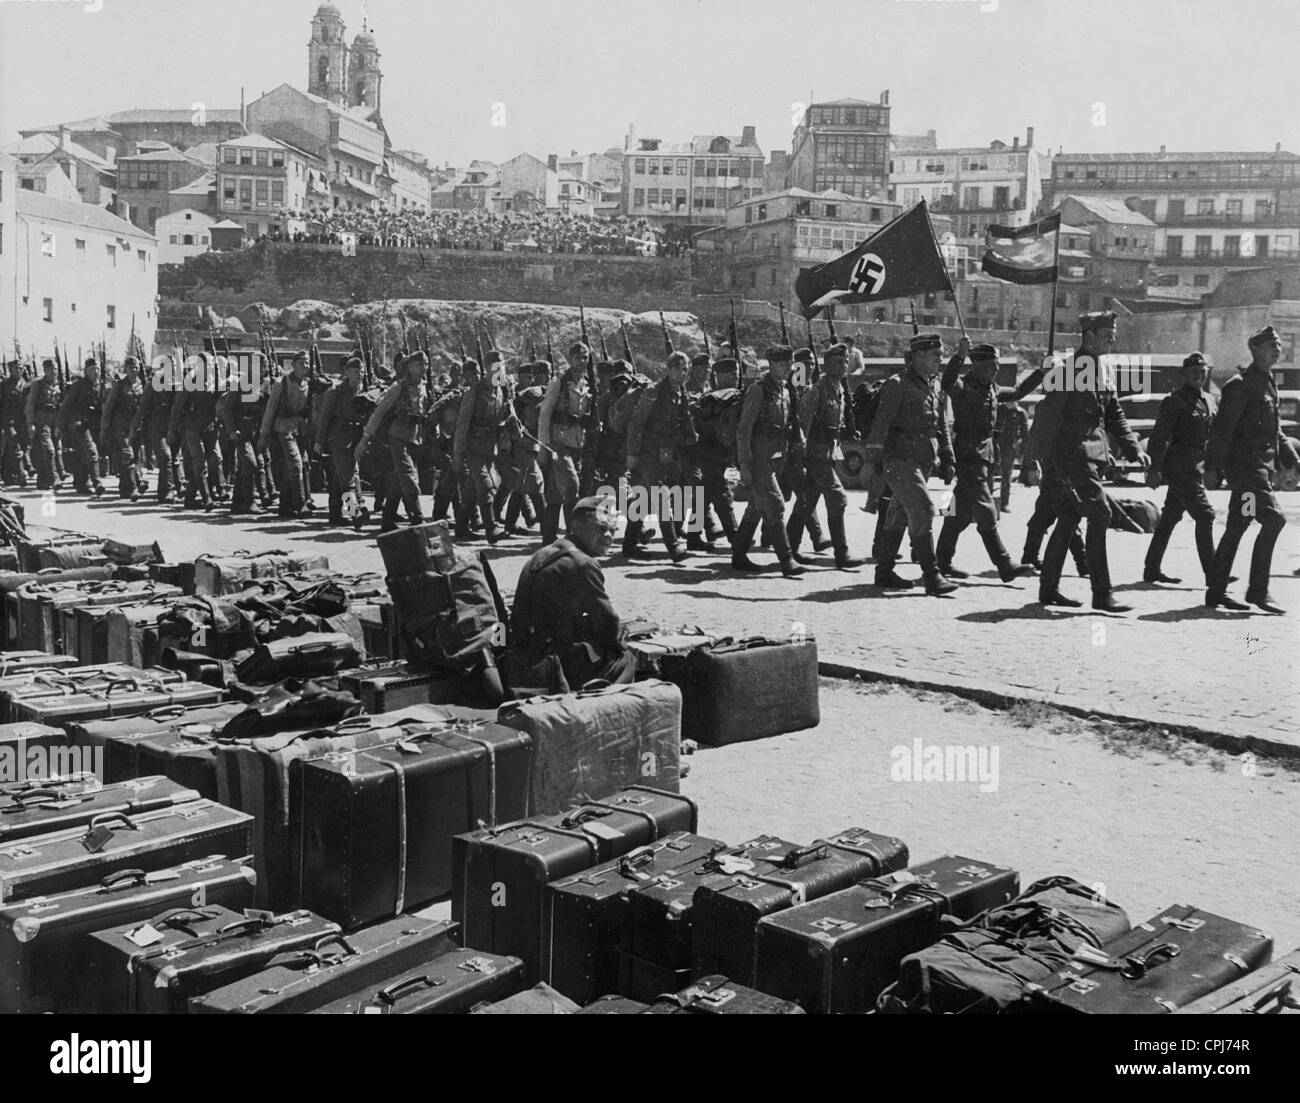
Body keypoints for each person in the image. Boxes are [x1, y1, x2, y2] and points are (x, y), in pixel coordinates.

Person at [1025, 312, 1148, 612]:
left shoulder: (1101, 371)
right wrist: (1033, 462)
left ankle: (1049, 589)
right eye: (1107, 335)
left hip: (1091, 459)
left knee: (1068, 519)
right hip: (1071, 459)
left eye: (1112, 335)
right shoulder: (1066, 371)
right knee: (1101, 514)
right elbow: (1046, 419)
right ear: (1088, 336)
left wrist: (1134, 450)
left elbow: (1114, 414)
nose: (1112, 340)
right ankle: (1102, 594)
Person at [1204, 326, 1298, 613]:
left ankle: (1216, 592)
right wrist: (1212, 469)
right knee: (1274, 520)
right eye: (1271, 344)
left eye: (1279, 344)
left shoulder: (1267, 383)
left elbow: (1275, 430)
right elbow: (1222, 431)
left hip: (1259, 470)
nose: (1277, 349)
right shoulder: (1240, 384)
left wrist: (1292, 458)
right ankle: (1258, 591)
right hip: (1247, 471)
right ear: (1255, 350)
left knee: (1238, 524)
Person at [504, 494, 636, 694]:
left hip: (524, 653)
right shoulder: (583, 563)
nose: (608, 536)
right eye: (601, 529)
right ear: (577, 526)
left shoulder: (545, 552)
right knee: (626, 659)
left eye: (612, 530)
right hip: (550, 662)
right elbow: (608, 621)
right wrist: (619, 641)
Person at [863, 333, 957, 595]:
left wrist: (948, 456)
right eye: (935, 354)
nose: (940, 359)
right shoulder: (897, 384)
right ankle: (932, 575)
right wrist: (871, 461)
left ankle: (884, 572)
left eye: (940, 354)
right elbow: (880, 425)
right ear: (917, 356)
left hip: (923, 460)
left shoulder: (934, 385)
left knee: (900, 514)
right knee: (924, 509)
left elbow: (941, 427)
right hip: (899, 459)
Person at [936, 341, 1034, 582]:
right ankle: (1004, 564)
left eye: (998, 365)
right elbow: (947, 382)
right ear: (977, 365)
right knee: (987, 510)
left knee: (957, 514)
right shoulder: (963, 387)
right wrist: (958, 355)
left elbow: (1019, 392)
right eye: (992, 365)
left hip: (984, 455)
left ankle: (941, 562)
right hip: (969, 456)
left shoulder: (992, 389)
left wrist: (1042, 372)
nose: (996, 369)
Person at [1142, 352, 1217, 586]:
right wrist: (1154, 469)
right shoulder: (1174, 400)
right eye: (1194, 372)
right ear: (1184, 374)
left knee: (1170, 518)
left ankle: (1151, 569)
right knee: (1205, 515)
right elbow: (1159, 437)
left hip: (1197, 465)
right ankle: (1214, 574)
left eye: (1203, 372)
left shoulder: (1210, 399)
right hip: (1180, 467)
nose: (1199, 376)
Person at [730, 346, 805, 577]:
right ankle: (787, 560)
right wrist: (744, 464)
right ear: (771, 364)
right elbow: (743, 429)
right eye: (783, 364)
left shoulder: (785, 389)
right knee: (775, 506)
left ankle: (738, 557)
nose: (788, 369)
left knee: (755, 508)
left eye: (790, 364)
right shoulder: (758, 390)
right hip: (758, 459)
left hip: (776, 458)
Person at [789, 342, 864, 569]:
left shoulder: (839, 389)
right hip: (814, 455)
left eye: (845, 362)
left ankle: (788, 550)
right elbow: (802, 427)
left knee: (806, 502)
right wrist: (799, 459)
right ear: (826, 365)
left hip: (829, 453)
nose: (843, 367)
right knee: (837, 498)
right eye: (838, 362)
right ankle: (841, 554)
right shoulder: (816, 391)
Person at [625, 350, 696, 562]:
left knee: (644, 501)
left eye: (686, 370)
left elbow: (684, 421)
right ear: (671, 369)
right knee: (660, 498)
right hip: (649, 454)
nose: (685, 373)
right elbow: (636, 424)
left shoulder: (680, 391)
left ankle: (628, 545)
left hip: (668, 454)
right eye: (681, 369)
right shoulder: (654, 392)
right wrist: (632, 453)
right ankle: (673, 547)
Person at [357, 350, 428, 533]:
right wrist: (365, 439)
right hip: (395, 439)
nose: (423, 368)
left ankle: (384, 519)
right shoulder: (398, 388)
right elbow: (378, 413)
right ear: (410, 367)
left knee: (398, 480)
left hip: (415, 440)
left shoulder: (424, 387)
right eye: (420, 365)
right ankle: (418, 520)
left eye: (425, 365)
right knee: (409, 478)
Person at [453, 350, 515, 543]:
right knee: (486, 485)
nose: (499, 371)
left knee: (472, 490)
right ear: (487, 370)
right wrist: (457, 453)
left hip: (490, 447)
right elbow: (462, 424)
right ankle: (491, 528)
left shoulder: (502, 391)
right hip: (473, 447)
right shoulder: (475, 392)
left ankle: (462, 529)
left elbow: (507, 416)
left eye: (501, 367)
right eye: (494, 368)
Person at [537, 341, 593, 545]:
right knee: (571, 489)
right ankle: (573, 539)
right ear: (570, 359)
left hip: (576, 443)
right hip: (557, 444)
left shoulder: (586, 383)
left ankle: (548, 538)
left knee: (553, 494)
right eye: (578, 357)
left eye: (585, 357)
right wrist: (543, 447)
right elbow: (544, 415)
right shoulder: (558, 382)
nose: (582, 361)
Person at [313, 356, 369, 526]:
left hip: (357, 438)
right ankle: (354, 512)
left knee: (341, 476)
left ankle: (335, 513)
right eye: (356, 371)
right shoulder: (335, 392)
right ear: (347, 372)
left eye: (362, 371)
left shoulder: (365, 390)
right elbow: (324, 418)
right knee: (348, 480)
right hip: (339, 438)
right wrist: (319, 441)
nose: (360, 374)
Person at [260, 351, 311, 518]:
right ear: (293, 365)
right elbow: (270, 409)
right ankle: (301, 503)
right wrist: (264, 434)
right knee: (296, 465)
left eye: (307, 363)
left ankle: (349, 513)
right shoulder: (282, 384)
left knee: (299, 466)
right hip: (285, 428)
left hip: (302, 431)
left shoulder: (311, 384)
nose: (306, 366)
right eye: (302, 363)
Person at [100, 357, 146, 499]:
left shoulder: (143, 384)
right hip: (121, 425)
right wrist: (104, 428)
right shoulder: (119, 386)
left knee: (135, 456)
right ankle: (133, 488)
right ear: (125, 369)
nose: (133, 370)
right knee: (128, 454)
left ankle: (124, 487)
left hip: (136, 425)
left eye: (136, 367)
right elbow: (108, 407)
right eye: (130, 367)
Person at [58, 358, 105, 496]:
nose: (95, 372)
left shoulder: (100, 385)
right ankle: (97, 482)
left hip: (92, 423)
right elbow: (66, 406)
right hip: (79, 423)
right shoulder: (78, 385)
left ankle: (81, 483)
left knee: (83, 454)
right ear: (86, 371)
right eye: (92, 369)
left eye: (97, 369)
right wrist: (60, 426)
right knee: (91, 451)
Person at [24, 359, 63, 492]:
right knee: (49, 450)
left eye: (56, 369)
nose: (54, 372)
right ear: (45, 370)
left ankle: (42, 480)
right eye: (51, 369)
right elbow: (30, 404)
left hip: (55, 421)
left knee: (49, 452)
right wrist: (30, 424)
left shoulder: (60, 384)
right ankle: (54, 478)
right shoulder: (38, 384)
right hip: (41, 421)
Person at [992, 392, 1028, 510]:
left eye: (1013, 400)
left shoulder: (1020, 413)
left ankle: (1004, 503)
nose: (1010, 402)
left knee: (1006, 476)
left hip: (1009, 446)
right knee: (990, 473)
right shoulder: (999, 409)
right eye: (1009, 400)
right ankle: (988, 502)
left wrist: (1022, 452)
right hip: (996, 444)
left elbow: (1024, 433)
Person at [0, 359, 29, 488]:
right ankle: (22, 475)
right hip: (8, 420)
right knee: (15, 446)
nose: (19, 370)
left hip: (21, 421)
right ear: (10, 369)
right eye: (16, 368)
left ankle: (7, 476)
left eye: (21, 368)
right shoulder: (4, 385)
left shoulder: (25, 384)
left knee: (12, 448)